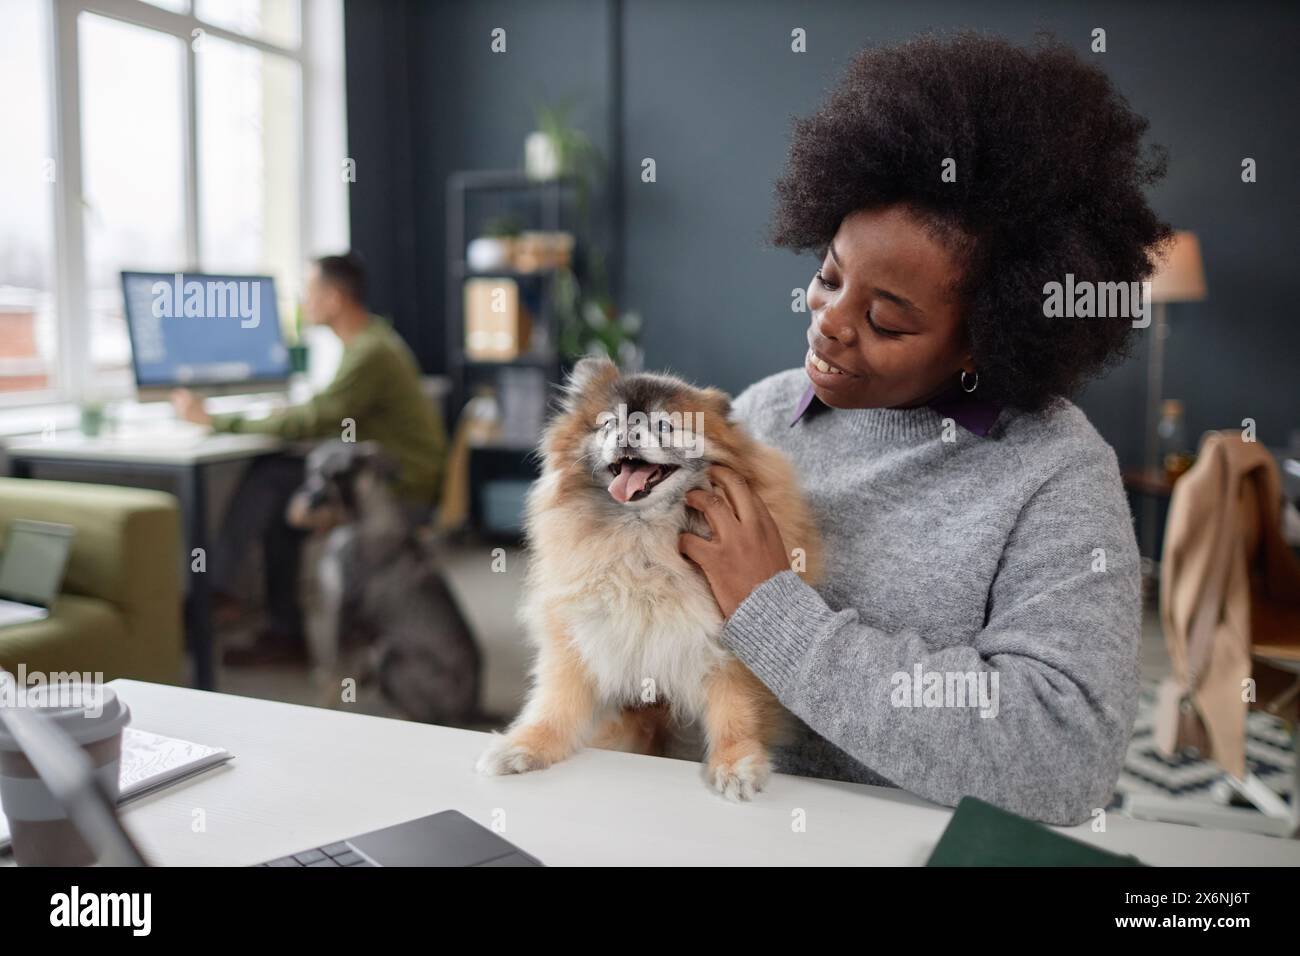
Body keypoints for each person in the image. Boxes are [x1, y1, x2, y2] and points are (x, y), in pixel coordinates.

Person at [677, 33, 1171, 826]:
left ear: (986, 336)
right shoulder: (761, 416)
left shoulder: (1054, 477)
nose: (829, 324)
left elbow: (1062, 757)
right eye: (828, 276)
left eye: (884, 318)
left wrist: (772, 611)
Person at [172, 252, 448, 666]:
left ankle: (216, 596)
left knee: (272, 476)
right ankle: (279, 629)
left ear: (334, 298)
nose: (303, 303)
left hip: (398, 488)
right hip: (389, 473)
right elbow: (324, 412)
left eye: (309, 293)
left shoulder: (370, 352)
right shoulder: (371, 343)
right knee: (282, 486)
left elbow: (314, 419)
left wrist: (213, 418)